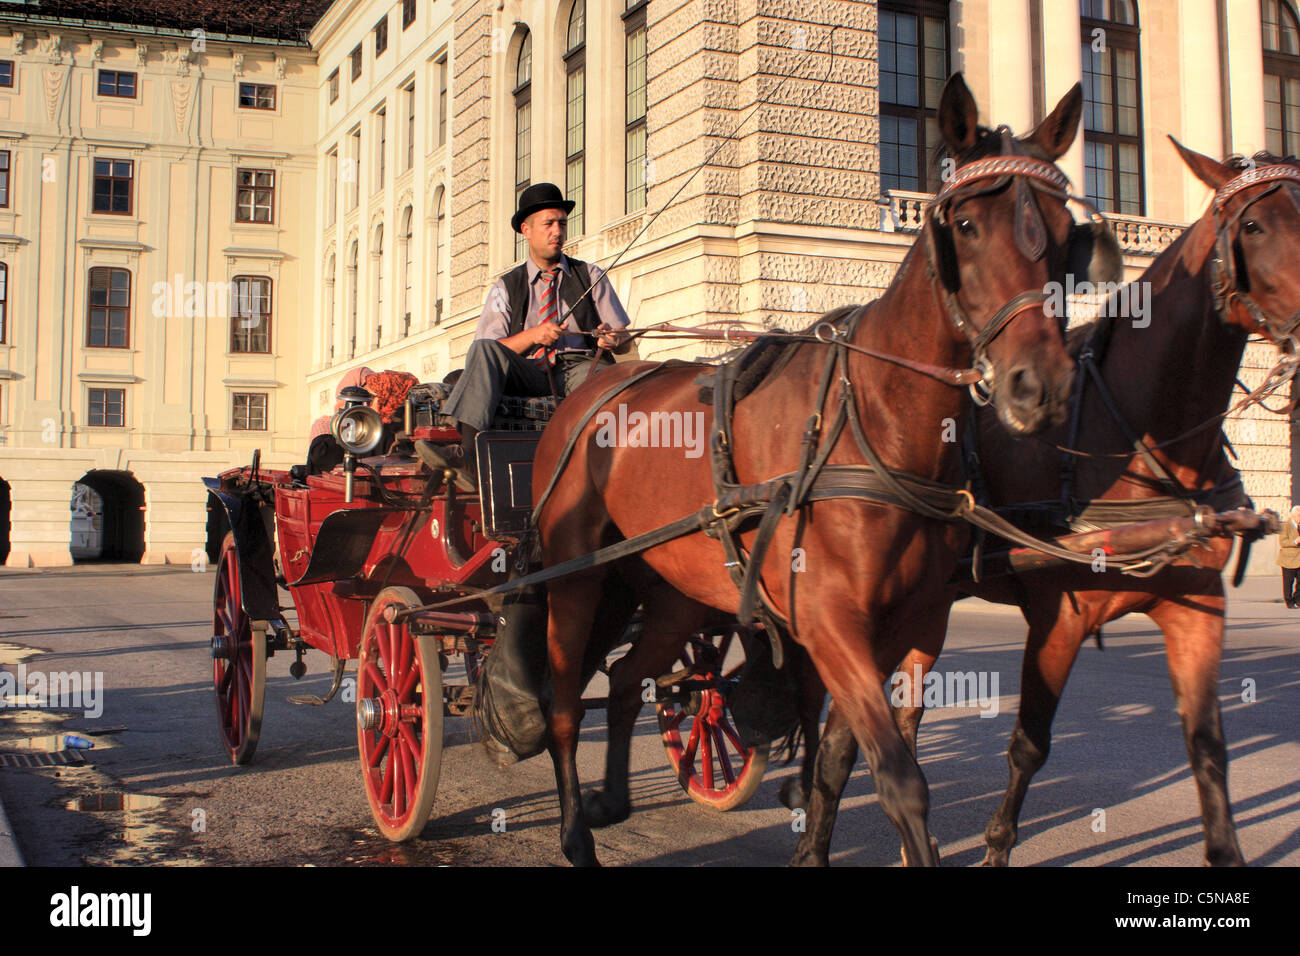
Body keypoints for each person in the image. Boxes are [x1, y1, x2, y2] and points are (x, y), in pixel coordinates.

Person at [416, 182, 632, 490]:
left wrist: (612, 338)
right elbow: (491, 347)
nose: (557, 231)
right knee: (482, 350)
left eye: (561, 223)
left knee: (607, 380)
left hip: (581, 365)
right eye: (548, 224)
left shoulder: (591, 276)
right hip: (529, 370)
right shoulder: (506, 287)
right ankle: (466, 453)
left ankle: (612, 463)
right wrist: (534, 335)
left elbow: (625, 340)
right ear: (526, 230)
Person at [1279, 504, 1300, 608]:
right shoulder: (1285, 526)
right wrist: (1296, 541)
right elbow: (1283, 542)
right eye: (1299, 516)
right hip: (1288, 560)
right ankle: (1289, 601)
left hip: (1299, 559)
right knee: (1288, 582)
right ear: (1293, 516)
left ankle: (1298, 600)